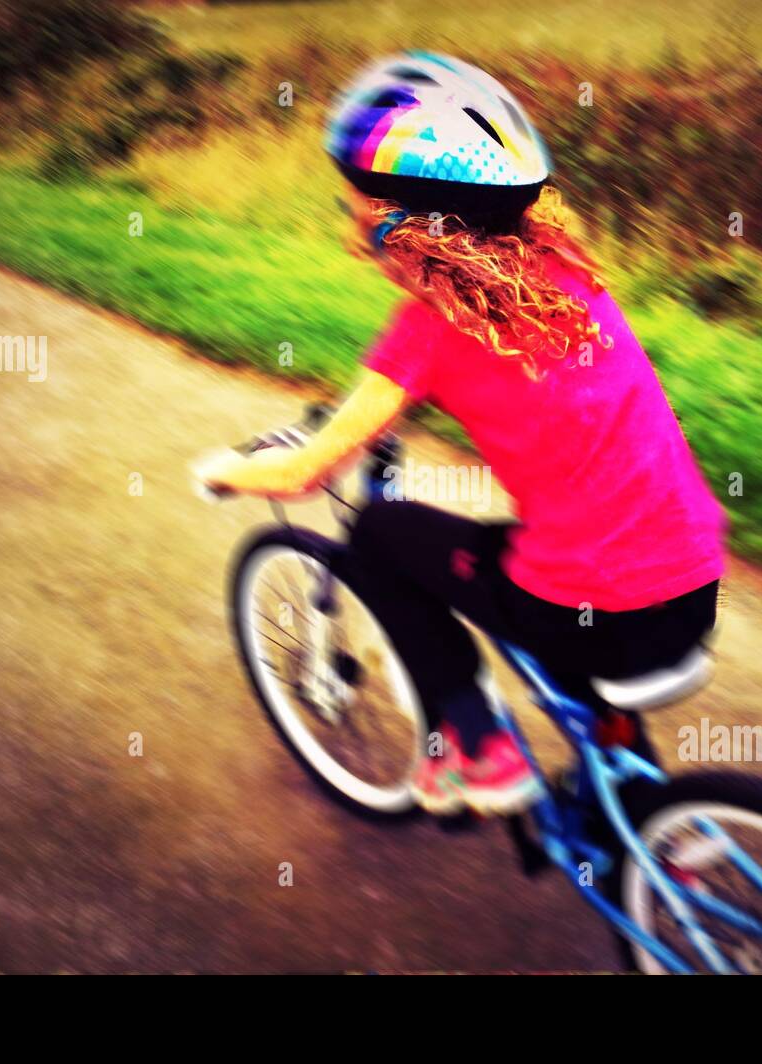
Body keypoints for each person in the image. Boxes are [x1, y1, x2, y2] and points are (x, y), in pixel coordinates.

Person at [196, 52, 726, 816]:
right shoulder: (565, 267)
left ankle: (479, 748)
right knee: (578, 543)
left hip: (599, 617)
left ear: (410, 231)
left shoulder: (428, 331)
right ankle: (653, 829)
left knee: (381, 532)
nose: (353, 241)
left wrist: (221, 469)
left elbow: (302, 475)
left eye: (361, 216)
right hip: (691, 586)